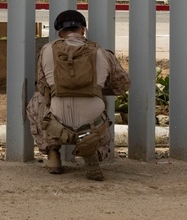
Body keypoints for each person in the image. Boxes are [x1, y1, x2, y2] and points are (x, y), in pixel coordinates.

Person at [26, 9, 130, 181]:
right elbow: (123, 85)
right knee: (99, 100)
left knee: (36, 101)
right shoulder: (102, 53)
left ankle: (52, 154)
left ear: (60, 33)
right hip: (92, 126)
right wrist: (97, 89)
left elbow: (43, 86)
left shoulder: (47, 51)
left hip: (58, 126)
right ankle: (92, 149)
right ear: (83, 30)